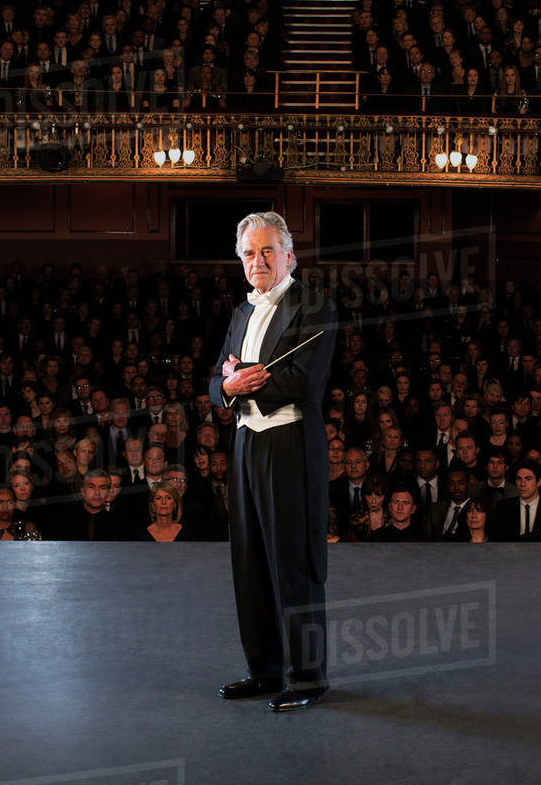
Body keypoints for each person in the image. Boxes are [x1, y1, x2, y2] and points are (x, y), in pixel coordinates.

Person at [211, 211, 337, 713]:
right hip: (245, 444)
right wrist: (228, 385)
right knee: (250, 564)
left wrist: (240, 380)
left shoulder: (315, 306)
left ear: (289, 256)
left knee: (294, 565)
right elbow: (213, 380)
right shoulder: (240, 313)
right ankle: (264, 671)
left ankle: (308, 679)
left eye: (267, 251)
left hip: (289, 444)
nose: (257, 261)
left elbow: (304, 382)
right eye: (249, 253)